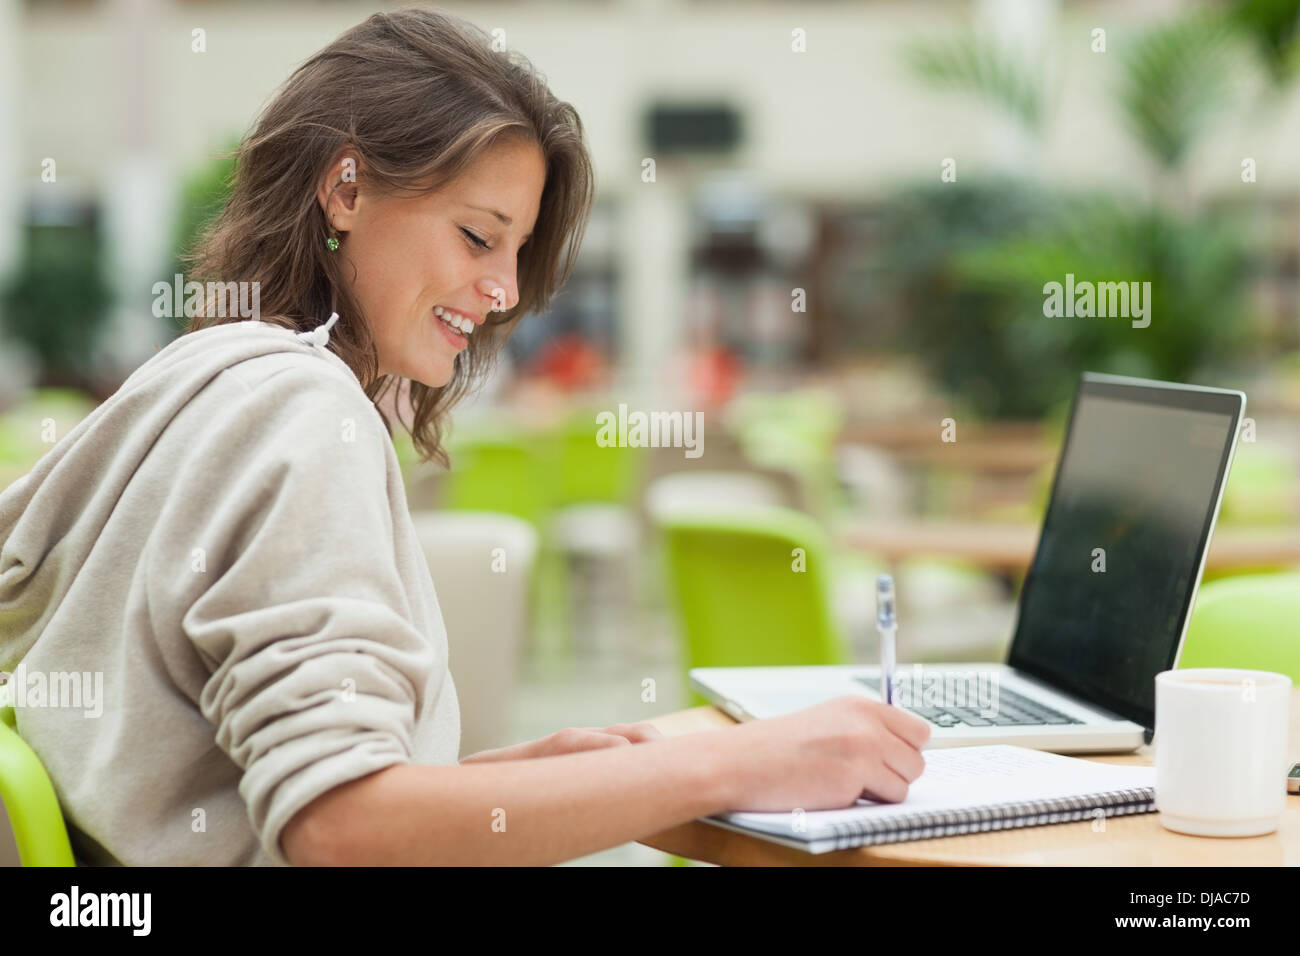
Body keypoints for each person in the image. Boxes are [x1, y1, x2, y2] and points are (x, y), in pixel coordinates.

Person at [0, 8, 927, 867]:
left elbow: (242, 794)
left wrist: (525, 776)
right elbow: (339, 828)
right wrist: (737, 766)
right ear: (347, 191)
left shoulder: (207, 375)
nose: (507, 291)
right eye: (480, 236)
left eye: (518, 250)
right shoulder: (303, 413)